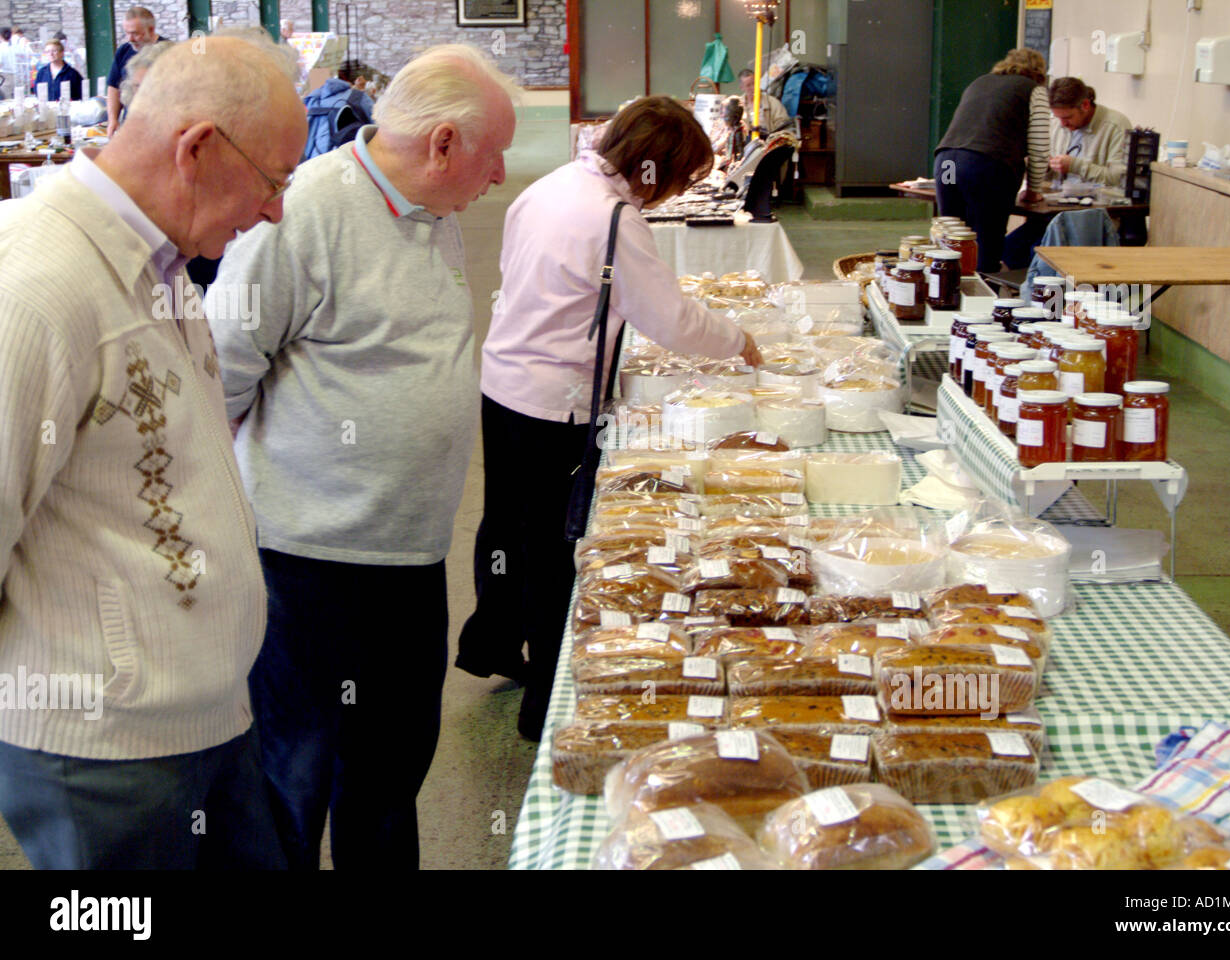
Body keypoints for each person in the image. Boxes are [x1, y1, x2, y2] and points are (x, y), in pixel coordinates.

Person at [206, 44, 518, 870]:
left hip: (409, 558)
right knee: (294, 779)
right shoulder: (308, 212)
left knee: (389, 772)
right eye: (495, 154)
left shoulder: (434, 211)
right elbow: (218, 371)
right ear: (444, 143)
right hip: (308, 567)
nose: (500, 176)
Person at [0, 34, 307, 870]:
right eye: (275, 179)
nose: (278, 210)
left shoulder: (162, 261)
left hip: (203, 719)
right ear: (198, 147)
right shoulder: (36, 286)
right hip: (103, 754)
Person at [456, 95, 764, 741]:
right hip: (556, 402)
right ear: (659, 166)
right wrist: (738, 341)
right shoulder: (616, 218)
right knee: (551, 548)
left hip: (503, 381)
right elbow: (671, 319)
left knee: (505, 523)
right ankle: (543, 703)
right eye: (681, 177)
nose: (677, 191)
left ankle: (490, 642)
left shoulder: (553, 185)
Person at [933, 47, 1050, 274]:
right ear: (1038, 71)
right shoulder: (1033, 90)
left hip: (947, 162)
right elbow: (1039, 148)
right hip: (984, 165)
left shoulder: (979, 82)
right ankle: (985, 302)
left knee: (950, 240)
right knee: (986, 243)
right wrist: (1034, 190)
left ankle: (946, 295)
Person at [1003, 77, 1134, 267]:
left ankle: (1047, 293)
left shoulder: (1115, 126)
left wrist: (1076, 166)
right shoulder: (1057, 125)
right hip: (1053, 214)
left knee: (1039, 257)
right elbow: (1048, 169)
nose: (1063, 124)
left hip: (1091, 219)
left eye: (1067, 118)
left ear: (1086, 105)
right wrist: (1043, 168)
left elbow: (1118, 178)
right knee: (1009, 250)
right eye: (1058, 118)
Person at [106, 6, 166, 137]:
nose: (130, 39)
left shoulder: (167, 52)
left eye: (135, 33)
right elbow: (114, 87)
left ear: (151, 29)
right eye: (126, 33)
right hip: (130, 124)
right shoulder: (123, 51)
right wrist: (113, 120)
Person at [738, 67, 788, 137]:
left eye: (754, 83)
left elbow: (783, 124)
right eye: (748, 85)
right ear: (741, 87)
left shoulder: (772, 102)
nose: (753, 88)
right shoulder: (737, 105)